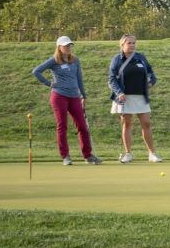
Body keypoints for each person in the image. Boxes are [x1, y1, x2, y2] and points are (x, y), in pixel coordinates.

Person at [31, 35, 102, 165]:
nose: (68, 47)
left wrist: (83, 95)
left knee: (82, 126)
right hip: (59, 96)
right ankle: (65, 156)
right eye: (65, 46)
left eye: (69, 45)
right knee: (62, 126)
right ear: (59, 47)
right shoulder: (54, 60)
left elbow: (79, 78)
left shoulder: (75, 60)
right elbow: (36, 71)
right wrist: (49, 83)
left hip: (75, 96)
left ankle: (88, 155)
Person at [108, 34, 162, 164]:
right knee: (127, 124)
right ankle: (128, 154)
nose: (132, 45)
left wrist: (151, 82)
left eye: (133, 43)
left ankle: (152, 154)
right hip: (124, 97)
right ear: (122, 45)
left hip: (140, 96)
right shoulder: (117, 59)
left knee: (146, 123)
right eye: (129, 43)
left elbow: (151, 74)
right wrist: (119, 92)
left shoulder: (141, 57)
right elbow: (112, 79)